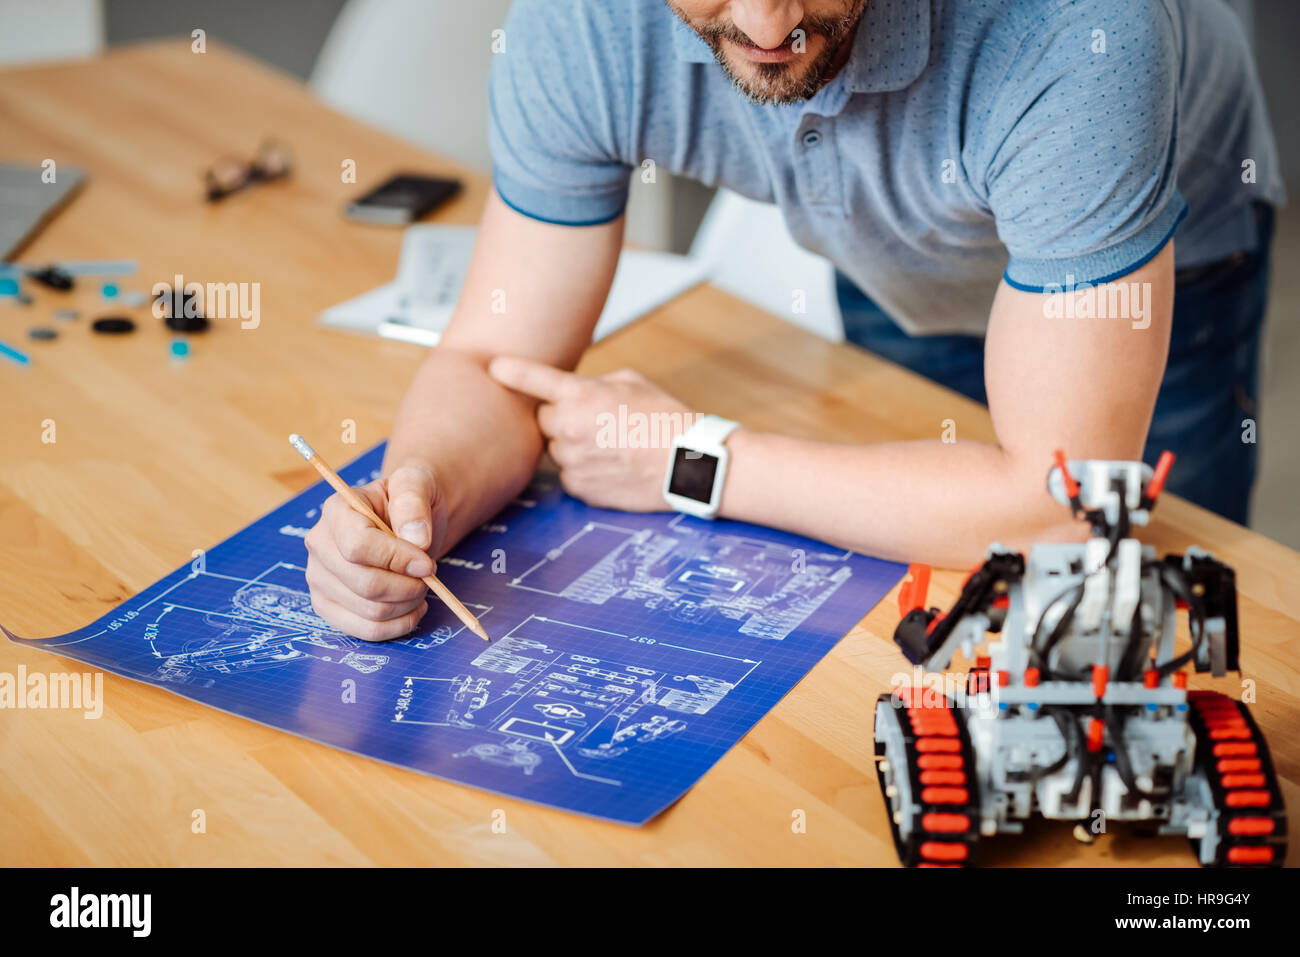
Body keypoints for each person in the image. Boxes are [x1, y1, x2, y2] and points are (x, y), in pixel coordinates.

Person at [304, 0, 1283, 641]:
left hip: (1159, 269)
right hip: (898, 251)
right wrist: (411, 495)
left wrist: (694, 459)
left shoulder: (1080, 29)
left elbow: (1060, 506)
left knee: (1154, 632)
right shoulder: (583, 19)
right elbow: (492, 357)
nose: (769, 22)